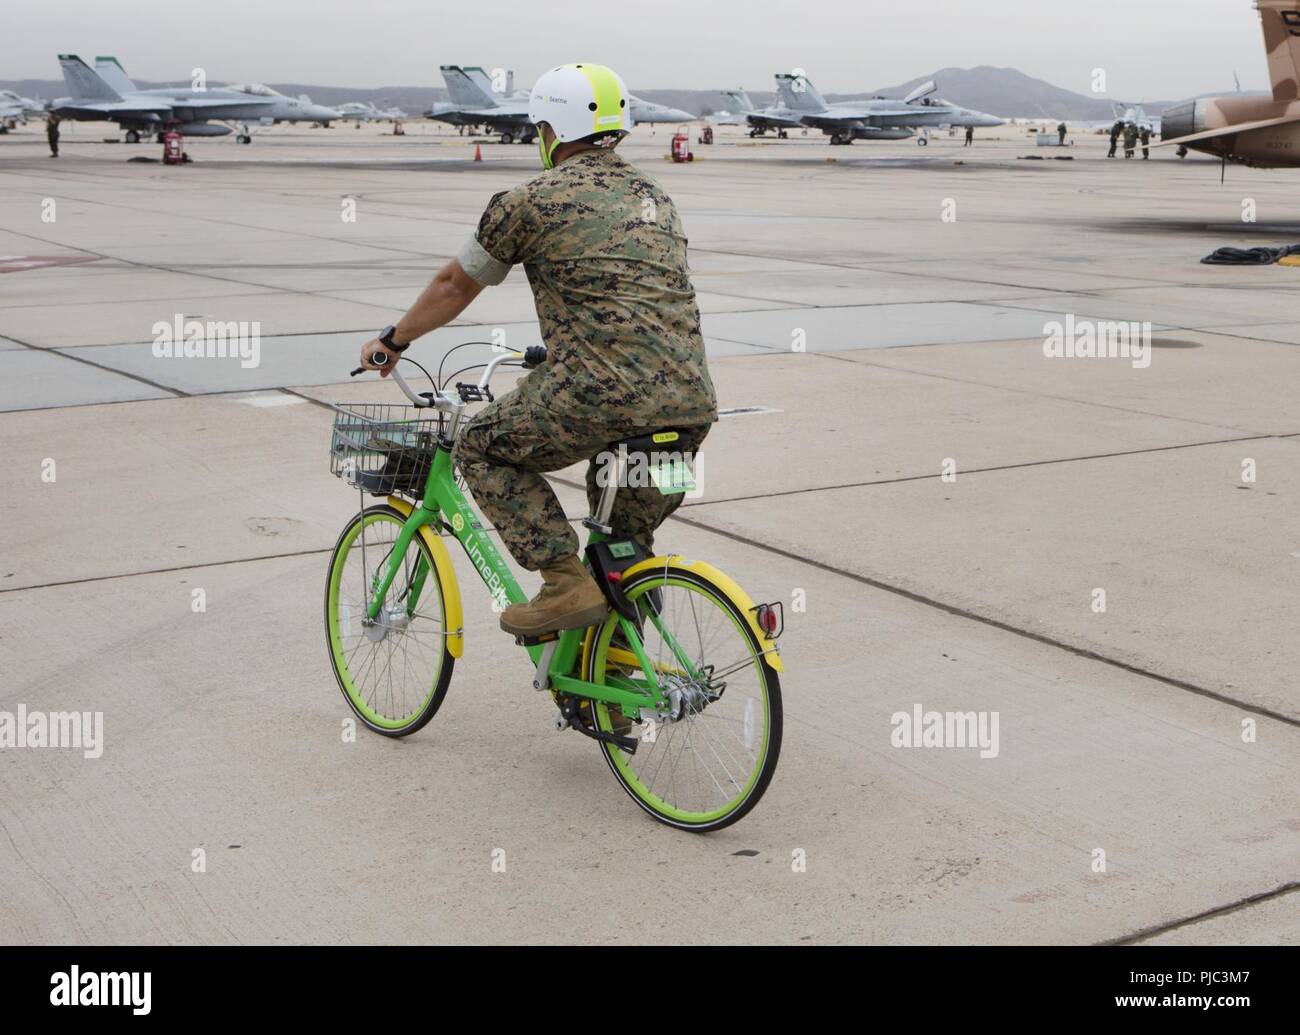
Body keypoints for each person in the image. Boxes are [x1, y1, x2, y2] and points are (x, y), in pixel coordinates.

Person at [356, 63, 718, 639]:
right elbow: (633, 300)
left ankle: (560, 581)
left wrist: (393, 342)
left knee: (480, 447)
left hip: (600, 398)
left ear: (551, 130)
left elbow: (456, 283)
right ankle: (617, 691)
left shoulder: (531, 200)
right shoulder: (656, 198)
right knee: (621, 556)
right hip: (690, 406)